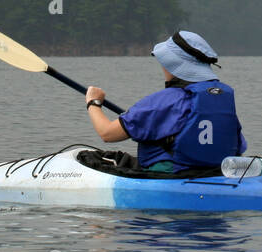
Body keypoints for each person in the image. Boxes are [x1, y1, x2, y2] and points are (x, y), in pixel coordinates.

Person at [85, 30, 245, 173]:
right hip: (215, 173)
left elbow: (106, 133)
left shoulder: (162, 102)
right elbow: (239, 148)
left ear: (172, 65)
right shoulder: (222, 99)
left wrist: (93, 102)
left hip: (169, 176)